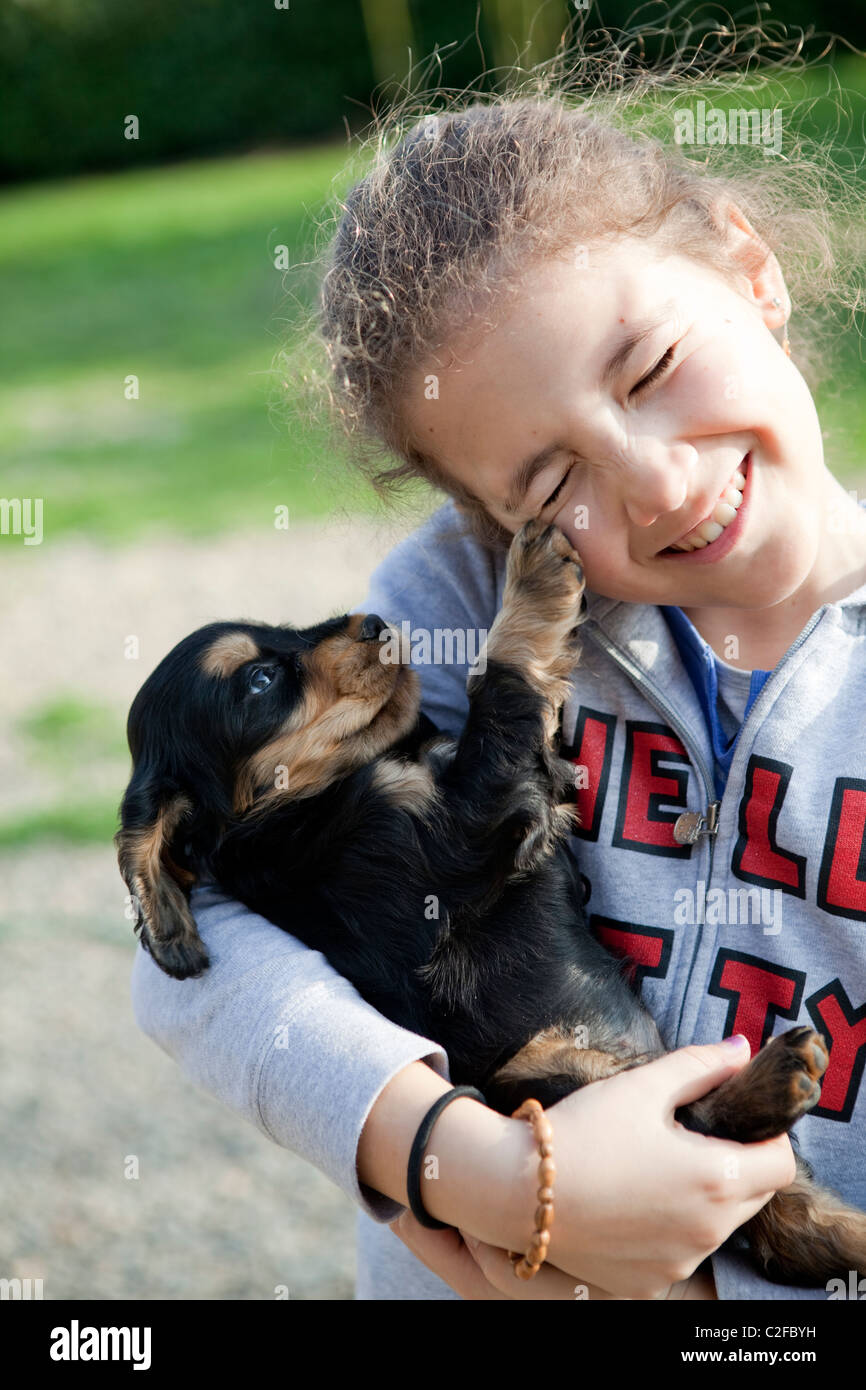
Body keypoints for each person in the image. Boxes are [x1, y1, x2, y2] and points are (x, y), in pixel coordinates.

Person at [130, 32, 866, 1299]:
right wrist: (473, 1170)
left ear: (749, 269)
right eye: (548, 481)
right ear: (484, 517)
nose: (655, 479)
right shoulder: (466, 602)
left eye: (649, 368)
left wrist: (674, 1290)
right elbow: (190, 954)